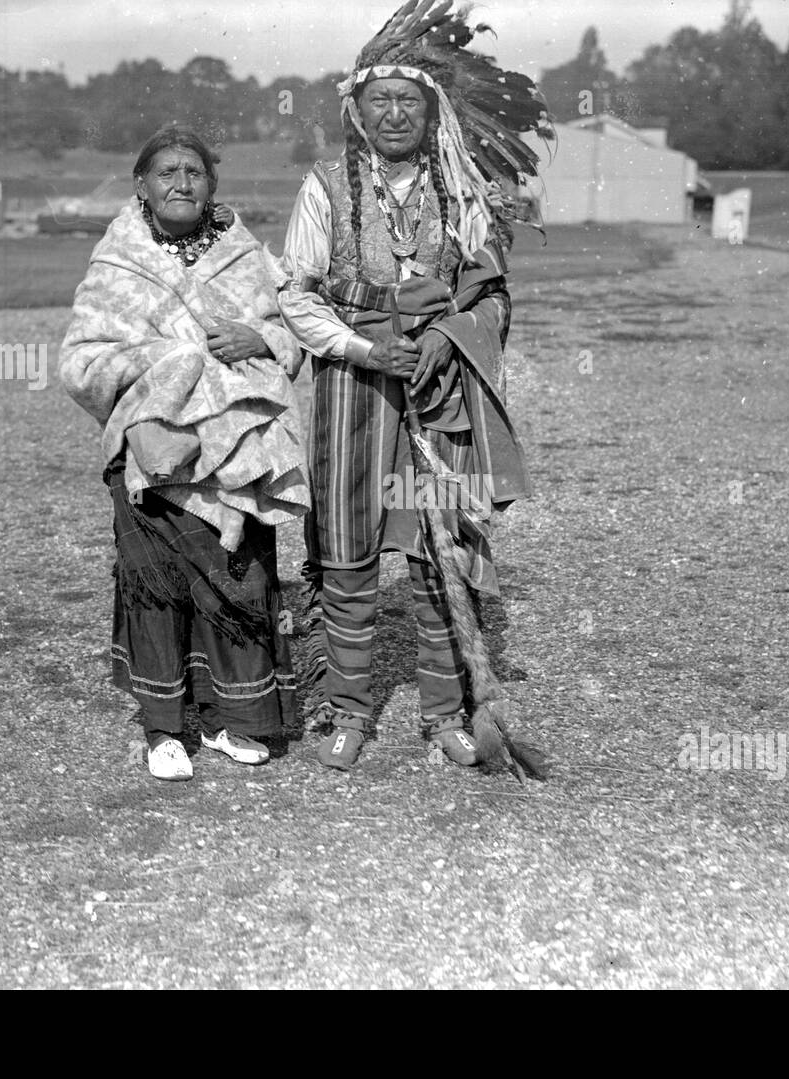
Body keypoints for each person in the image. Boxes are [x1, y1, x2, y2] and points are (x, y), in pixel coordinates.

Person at [277, 1, 553, 770]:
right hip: (354, 392)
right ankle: (351, 713)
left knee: (440, 553)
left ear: (431, 111)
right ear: (356, 110)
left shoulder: (460, 190)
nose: (394, 113)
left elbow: (490, 292)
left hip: (439, 394)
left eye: (409, 100)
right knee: (347, 547)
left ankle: (441, 717)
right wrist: (368, 350)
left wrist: (441, 337)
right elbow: (295, 296)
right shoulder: (326, 189)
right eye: (380, 100)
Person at [59, 126, 309, 781]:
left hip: (235, 449)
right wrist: (164, 359)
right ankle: (164, 730)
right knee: (155, 586)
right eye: (166, 171)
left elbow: (291, 334)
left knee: (238, 576)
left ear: (212, 185)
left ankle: (236, 719)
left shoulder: (245, 254)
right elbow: (79, 362)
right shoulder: (118, 261)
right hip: (153, 450)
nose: (181, 182)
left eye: (194, 171)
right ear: (140, 184)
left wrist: (257, 336)